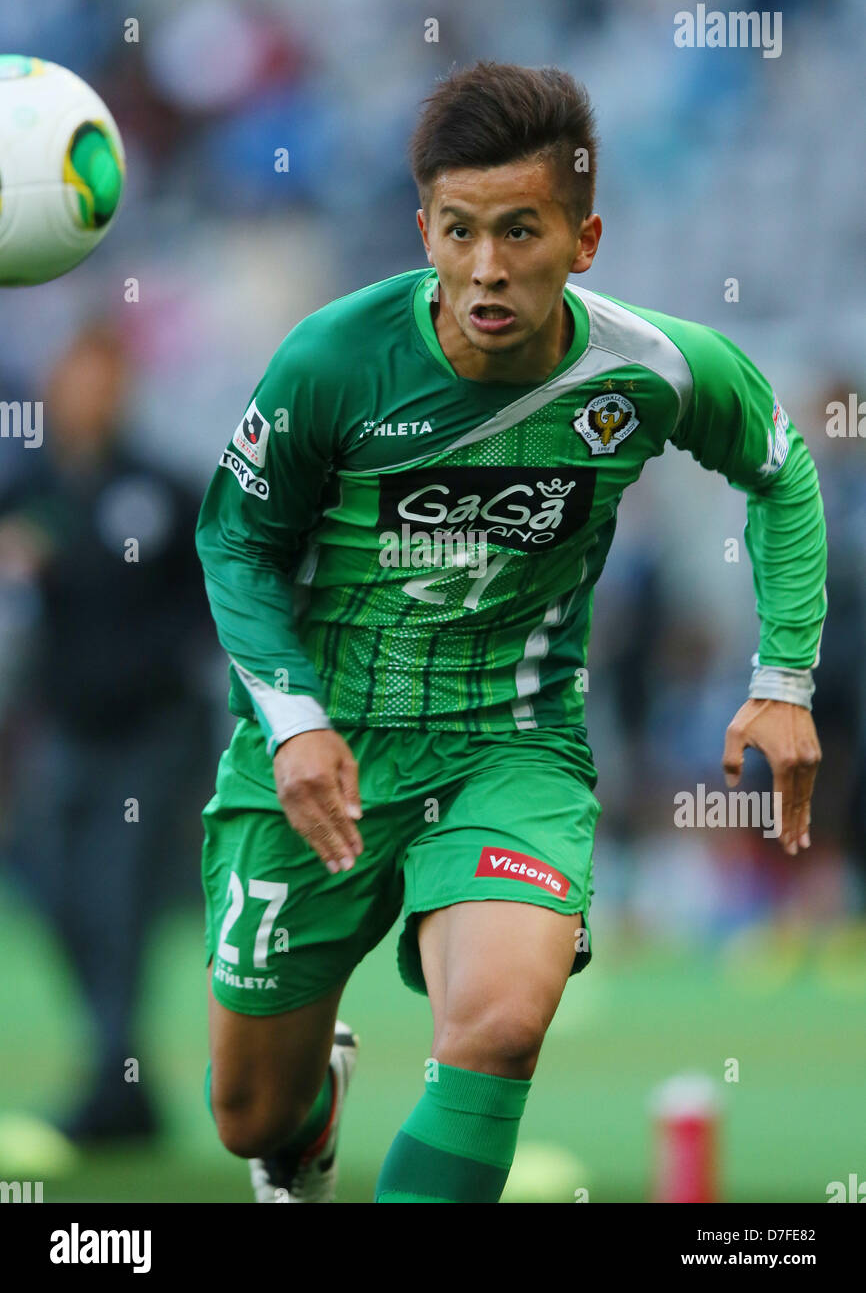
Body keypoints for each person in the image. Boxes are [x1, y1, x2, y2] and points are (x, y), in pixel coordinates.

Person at [195, 61, 826, 1203]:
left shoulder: (651, 369)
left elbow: (779, 469)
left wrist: (781, 676)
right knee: (246, 1108)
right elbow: (233, 544)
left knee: (496, 1025)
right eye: (459, 231)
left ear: (583, 239)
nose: (487, 268)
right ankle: (308, 1119)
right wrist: (289, 721)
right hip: (319, 751)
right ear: (423, 229)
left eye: (521, 231)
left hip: (510, 747)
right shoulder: (330, 362)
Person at [0, 322, 212, 1142]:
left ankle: (112, 1082)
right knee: (49, 885)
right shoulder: (33, 487)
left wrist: (150, 672)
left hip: (150, 735)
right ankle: (121, 1077)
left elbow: (205, 603)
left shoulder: (160, 487)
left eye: (102, 378)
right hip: (63, 730)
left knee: (116, 900)